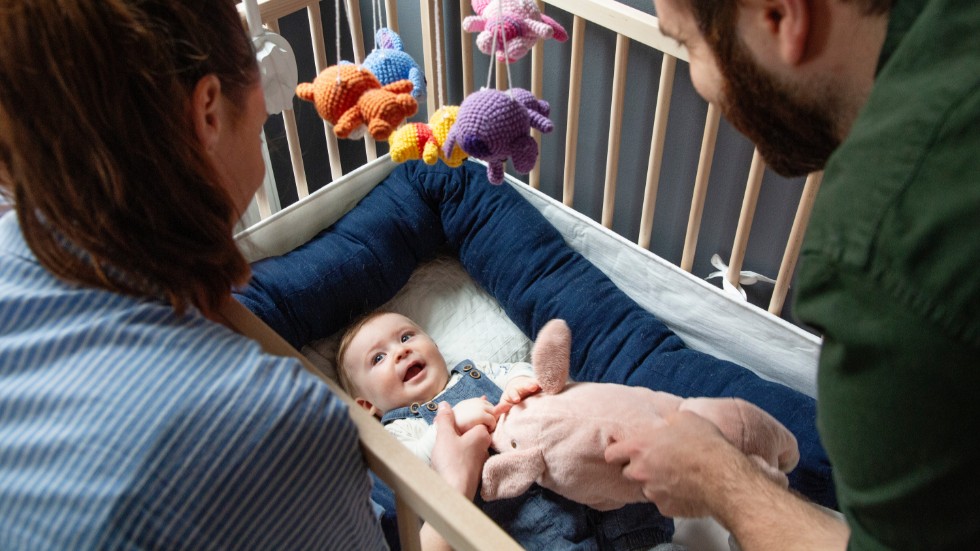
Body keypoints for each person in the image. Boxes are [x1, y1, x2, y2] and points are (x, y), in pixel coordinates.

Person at [0, 2, 481, 549]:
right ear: (208, 109)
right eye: (256, 72)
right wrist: (454, 488)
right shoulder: (279, 425)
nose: (267, 111)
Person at [605, 0, 980, 549]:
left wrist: (716, 478)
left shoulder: (885, 245)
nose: (697, 80)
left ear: (778, 15)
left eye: (686, 45)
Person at [339, 309, 798, 550]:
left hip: (597, 493)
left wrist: (521, 384)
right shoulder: (393, 431)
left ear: (433, 345)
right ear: (366, 406)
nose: (399, 352)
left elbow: (524, 372)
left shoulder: (476, 373)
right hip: (535, 533)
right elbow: (409, 466)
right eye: (377, 358)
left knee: (652, 534)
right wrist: (449, 424)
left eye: (406, 337)